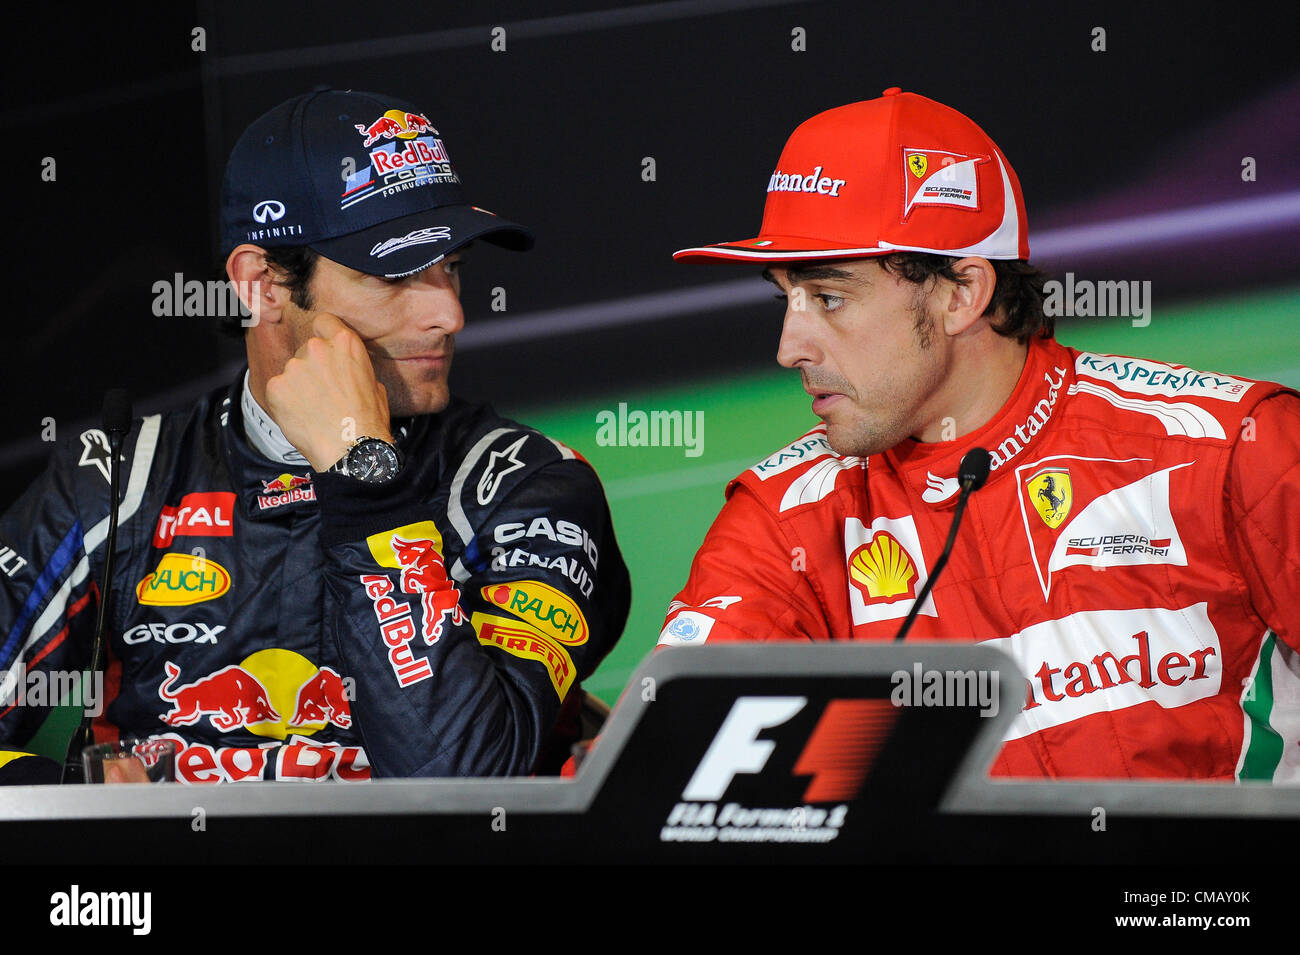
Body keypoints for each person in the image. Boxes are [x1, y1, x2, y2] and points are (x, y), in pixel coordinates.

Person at [662, 87, 1300, 780]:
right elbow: (666, 771)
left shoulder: (1230, 447)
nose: (789, 347)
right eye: (784, 296)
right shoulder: (784, 524)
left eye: (829, 296)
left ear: (962, 292)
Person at [0, 89, 630, 783]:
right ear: (262, 286)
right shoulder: (117, 476)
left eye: (451, 267)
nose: (448, 312)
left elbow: (469, 783)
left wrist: (365, 483)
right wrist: (70, 794)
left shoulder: (527, 484)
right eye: (394, 273)